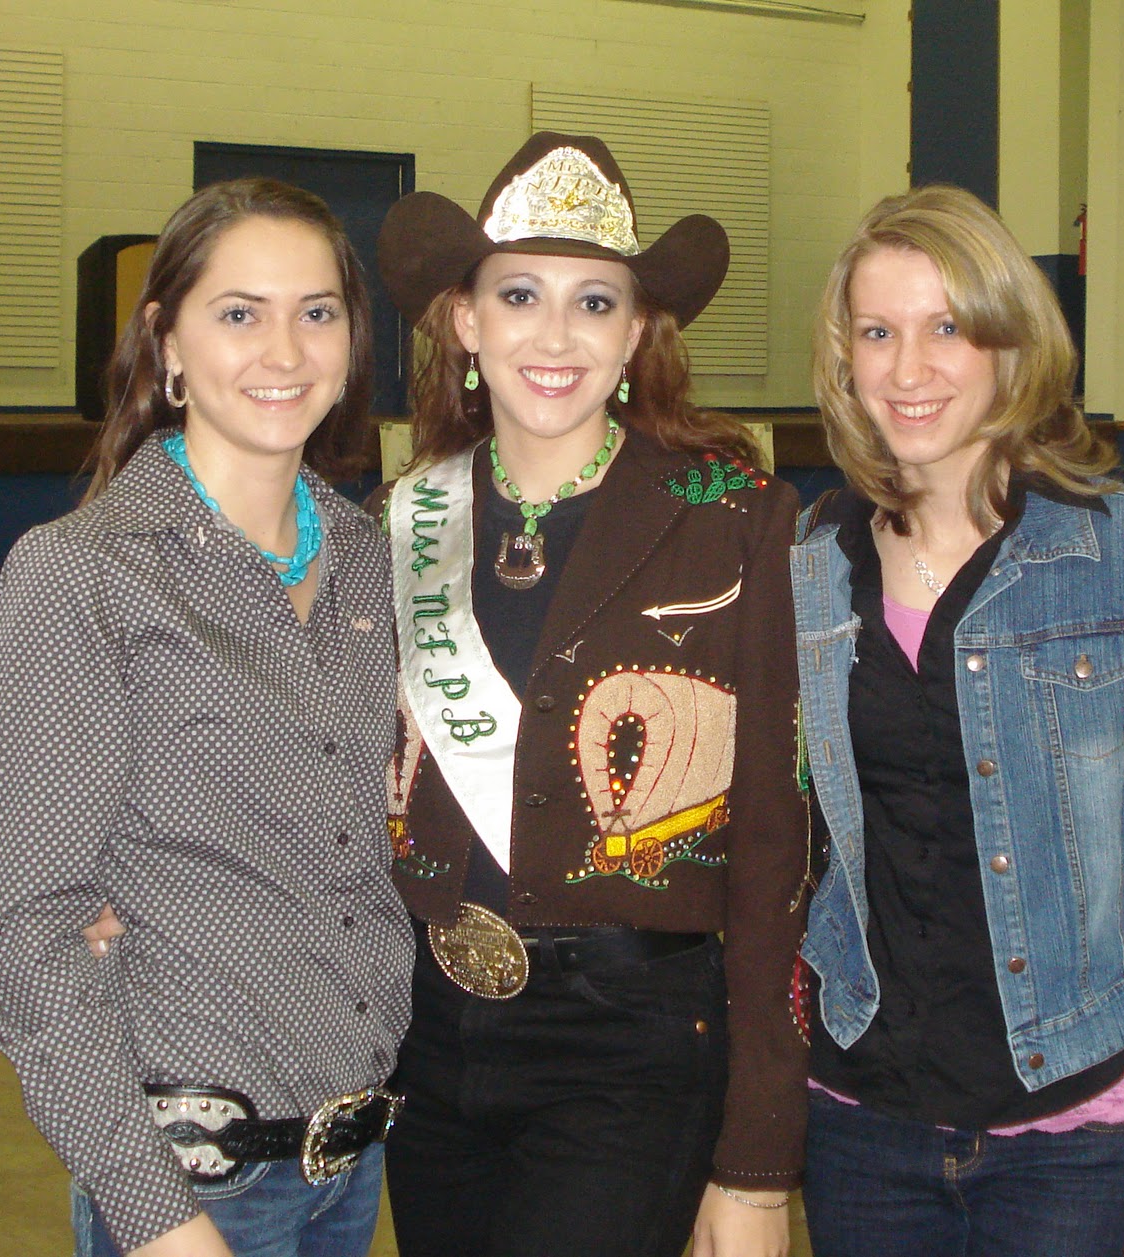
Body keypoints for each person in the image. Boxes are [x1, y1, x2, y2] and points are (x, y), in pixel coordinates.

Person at [370, 132, 813, 1257]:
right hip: (422, 1033)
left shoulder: (734, 515)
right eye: (518, 295)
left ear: (634, 334)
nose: (554, 335)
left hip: (633, 1040)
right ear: (466, 323)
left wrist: (758, 1160)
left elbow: (776, 843)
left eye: (594, 302)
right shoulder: (391, 523)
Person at [792, 185, 1124, 1257]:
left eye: (947, 326)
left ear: (1009, 340)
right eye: (878, 331)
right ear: (844, 355)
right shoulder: (807, 561)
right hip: (862, 1123)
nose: (909, 369)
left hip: (1078, 1128)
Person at [0, 178, 413, 1257]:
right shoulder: (84, 576)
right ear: (167, 345)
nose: (285, 350)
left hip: (352, 1168)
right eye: (238, 313)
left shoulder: (369, 560)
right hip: (195, 1189)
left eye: (317, 312)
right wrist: (155, 1217)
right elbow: (30, 939)